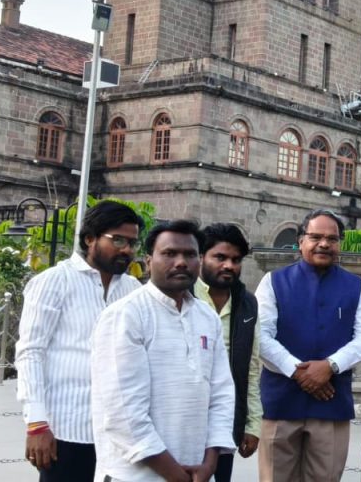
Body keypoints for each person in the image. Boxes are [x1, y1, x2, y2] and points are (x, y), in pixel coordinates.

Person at [91, 220, 236, 482]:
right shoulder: (126, 315)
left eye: (190, 255)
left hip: (198, 471)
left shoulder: (206, 317)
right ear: (149, 261)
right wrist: (175, 475)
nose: (181, 262)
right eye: (169, 253)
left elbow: (222, 395)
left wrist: (209, 464)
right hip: (135, 475)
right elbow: (123, 413)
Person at [14, 200, 145, 481]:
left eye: (132, 242)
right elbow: (31, 353)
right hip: (67, 430)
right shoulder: (54, 281)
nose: (127, 249)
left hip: (121, 435)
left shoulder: (133, 290)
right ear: (90, 239)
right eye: (118, 240)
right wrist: (36, 423)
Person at [256, 209, 361, 481]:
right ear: (301, 241)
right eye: (315, 237)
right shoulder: (273, 282)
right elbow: (261, 336)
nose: (324, 244)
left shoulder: (358, 287)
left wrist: (330, 366)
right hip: (281, 404)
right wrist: (299, 372)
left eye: (332, 239)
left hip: (331, 405)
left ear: (339, 244)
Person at [197, 223, 262, 481]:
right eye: (220, 257)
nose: (229, 266)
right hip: (184, 418)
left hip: (225, 420)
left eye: (236, 260)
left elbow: (252, 367)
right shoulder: (184, 295)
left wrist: (252, 424)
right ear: (201, 257)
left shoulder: (247, 303)